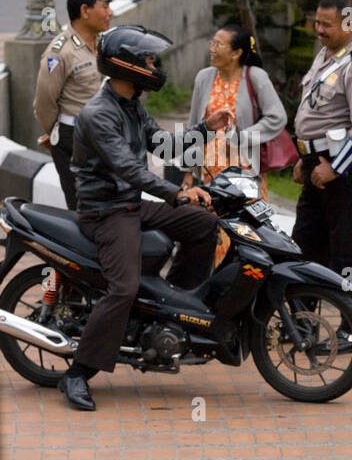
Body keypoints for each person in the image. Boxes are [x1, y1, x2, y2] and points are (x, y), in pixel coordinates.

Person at [58, 26, 232, 413]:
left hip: (132, 204)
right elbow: (126, 168)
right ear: (128, 66)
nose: (155, 67)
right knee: (123, 288)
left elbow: (161, 144)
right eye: (150, 61)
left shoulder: (131, 103)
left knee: (203, 225)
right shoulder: (99, 114)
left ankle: (168, 307)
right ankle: (77, 373)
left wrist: (206, 128)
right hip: (106, 212)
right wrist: (177, 192)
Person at [291, 0, 352, 326]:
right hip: (317, 166)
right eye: (317, 22)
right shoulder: (326, 58)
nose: (319, 30)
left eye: (327, 24)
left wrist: (335, 168)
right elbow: (315, 114)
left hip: (344, 170)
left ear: (348, 23)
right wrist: (305, 160)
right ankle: (302, 322)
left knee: (348, 251)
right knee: (306, 241)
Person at [187, 24, 285, 264]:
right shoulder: (204, 77)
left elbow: (277, 117)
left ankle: (247, 289)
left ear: (236, 53)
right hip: (212, 175)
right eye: (212, 43)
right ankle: (221, 291)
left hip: (246, 175)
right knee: (217, 233)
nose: (212, 49)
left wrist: (241, 139)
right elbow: (192, 126)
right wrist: (188, 172)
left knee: (248, 231)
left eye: (219, 44)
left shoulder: (255, 77)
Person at [33, 0, 114, 209]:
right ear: (85, 10)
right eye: (104, 6)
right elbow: (44, 103)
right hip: (75, 139)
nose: (110, 12)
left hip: (107, 134)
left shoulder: (106, 43)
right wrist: (57, 135)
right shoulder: (60, 52)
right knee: (83, 207)